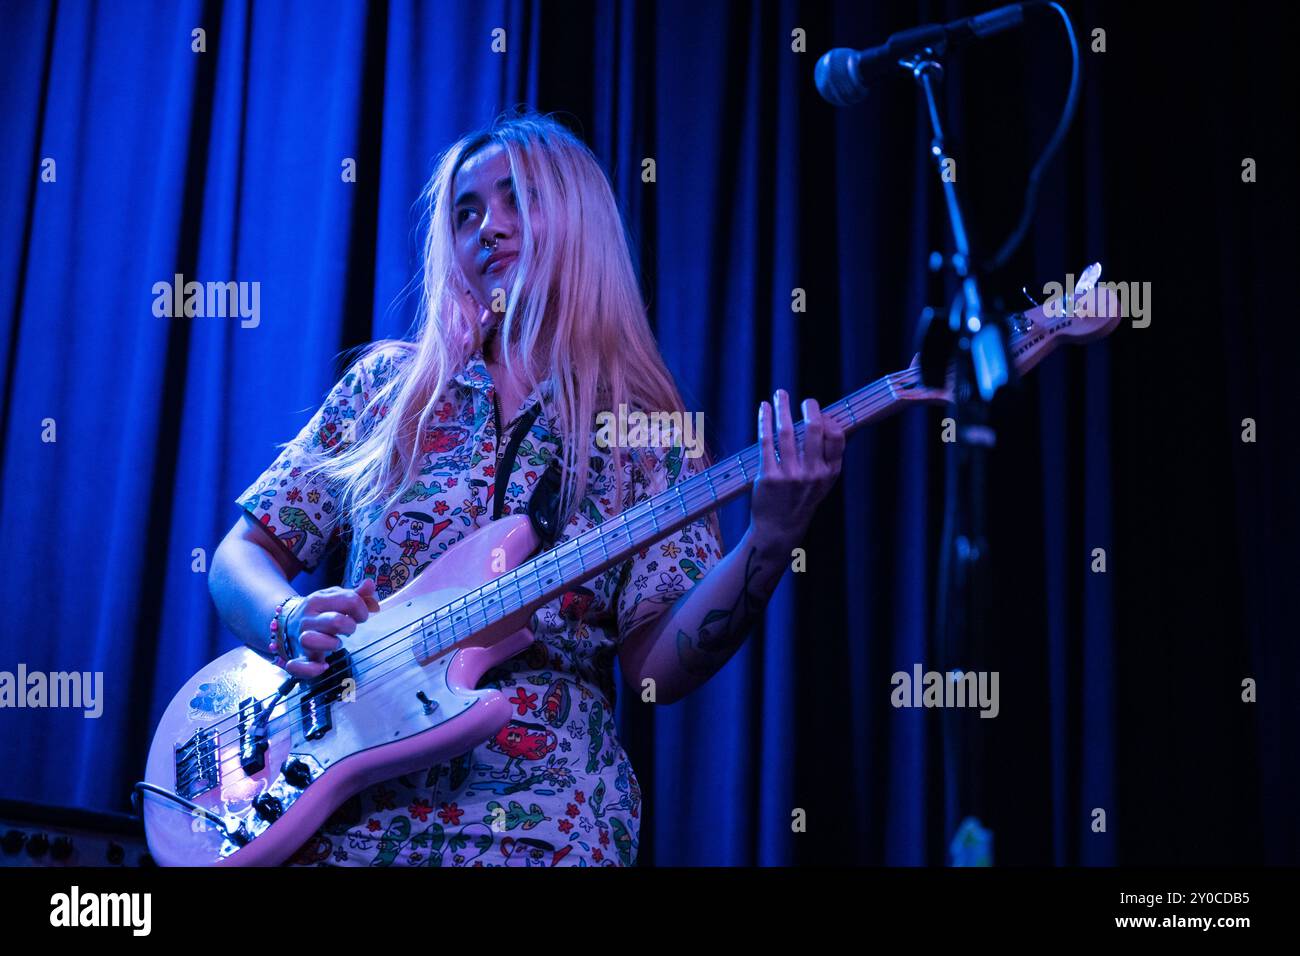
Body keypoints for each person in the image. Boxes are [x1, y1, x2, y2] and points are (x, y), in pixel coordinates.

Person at [209, 111, 846, 866]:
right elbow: (238, 556)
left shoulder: (644, 425)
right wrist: (287, 620)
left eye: (519, 201)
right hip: (350, 804)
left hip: (545, 814)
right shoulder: (387, 390)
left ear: (579, 223)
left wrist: (768, 542)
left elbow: (655, 669)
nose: (490, 228)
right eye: (468, 211)